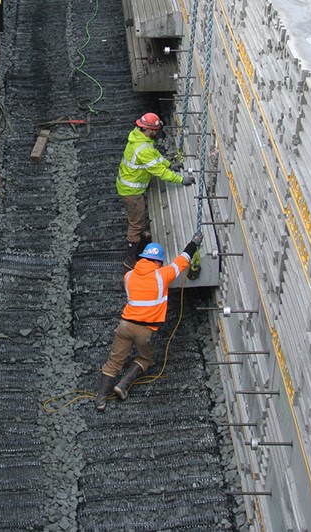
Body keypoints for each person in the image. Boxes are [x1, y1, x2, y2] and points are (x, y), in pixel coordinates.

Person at [95, 232, 203, 411]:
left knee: (114, 361)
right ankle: (122, 385)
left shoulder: (128, 277)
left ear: (143, 258)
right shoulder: (163, 275)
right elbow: (182, 261)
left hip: (125, 325)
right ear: (158, 261)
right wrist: (194, 243)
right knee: (145, 358)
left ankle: (100, 399)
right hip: (145, 330)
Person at [116, 113, 193, 269]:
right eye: (156, 129)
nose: (157, 132)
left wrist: (169, 164)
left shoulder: (140, 139)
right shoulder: (143, 149)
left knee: (138, 215)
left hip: (131, 187)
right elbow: (159, 172)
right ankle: (130, 259)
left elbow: (155, 157)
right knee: (135, 223)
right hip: (131, 191)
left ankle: (140, 235)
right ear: (149, 130)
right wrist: (180, 180)